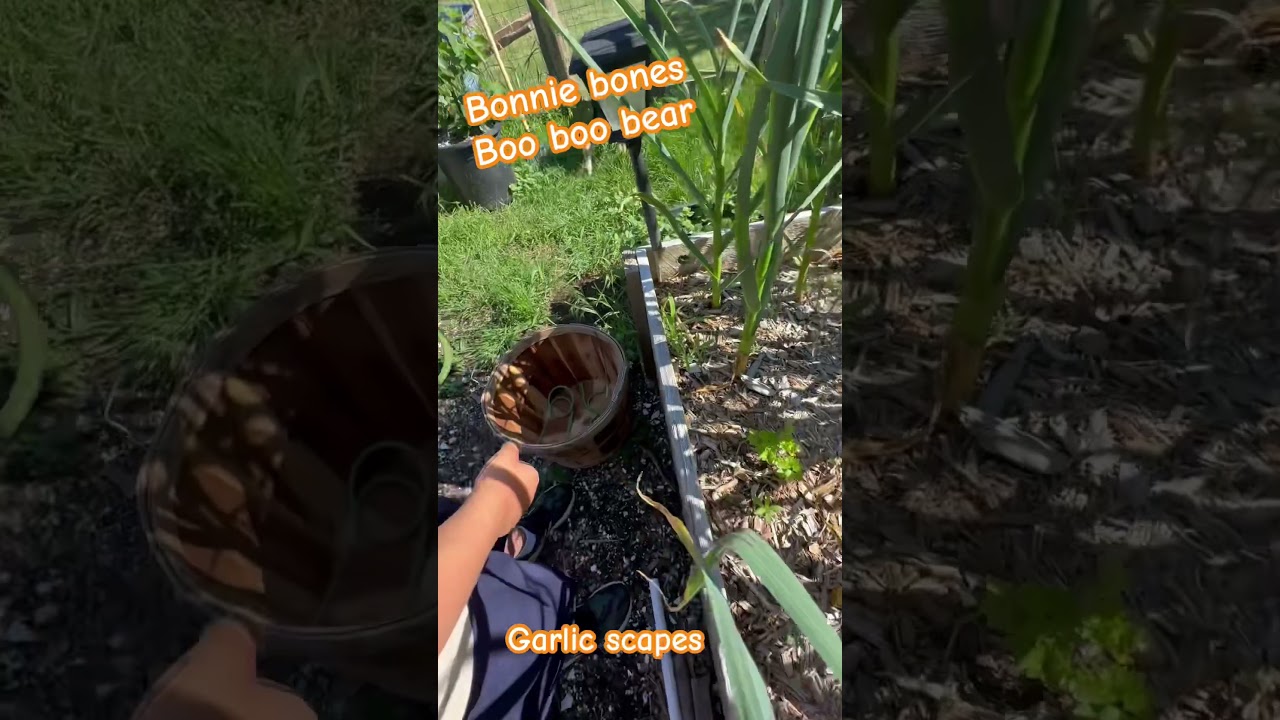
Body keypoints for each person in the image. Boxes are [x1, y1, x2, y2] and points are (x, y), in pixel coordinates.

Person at [130, 443, 632, 720]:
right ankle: (569, 636)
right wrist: (489, 507)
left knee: (460, 551)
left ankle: (510, 544)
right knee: (524, 630)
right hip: (474, 674)